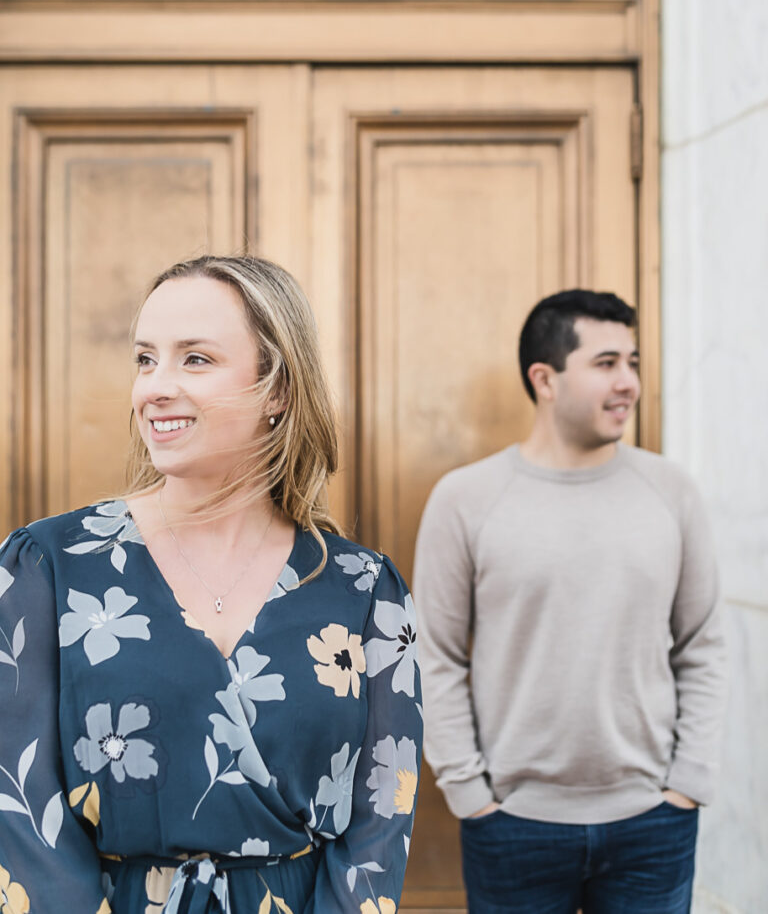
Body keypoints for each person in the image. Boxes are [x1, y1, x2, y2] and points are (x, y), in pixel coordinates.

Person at [0, 254, 421, 914]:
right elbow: (20, 813)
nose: (155, 387)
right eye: (146, 359)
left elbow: (380, 820)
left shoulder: (364, 589)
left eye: (194, 359)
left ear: (277, 387)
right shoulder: (50, 565)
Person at [413, 289, 726, 914]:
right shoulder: (466, 498)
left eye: (633, 362)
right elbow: (433, 655)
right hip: (513, 825)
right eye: (606, 363)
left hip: (652, 822)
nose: (629, 382)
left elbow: (704, 645)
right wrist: (469, 791)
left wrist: (689, 781)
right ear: (545, 379)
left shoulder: (671, 491)